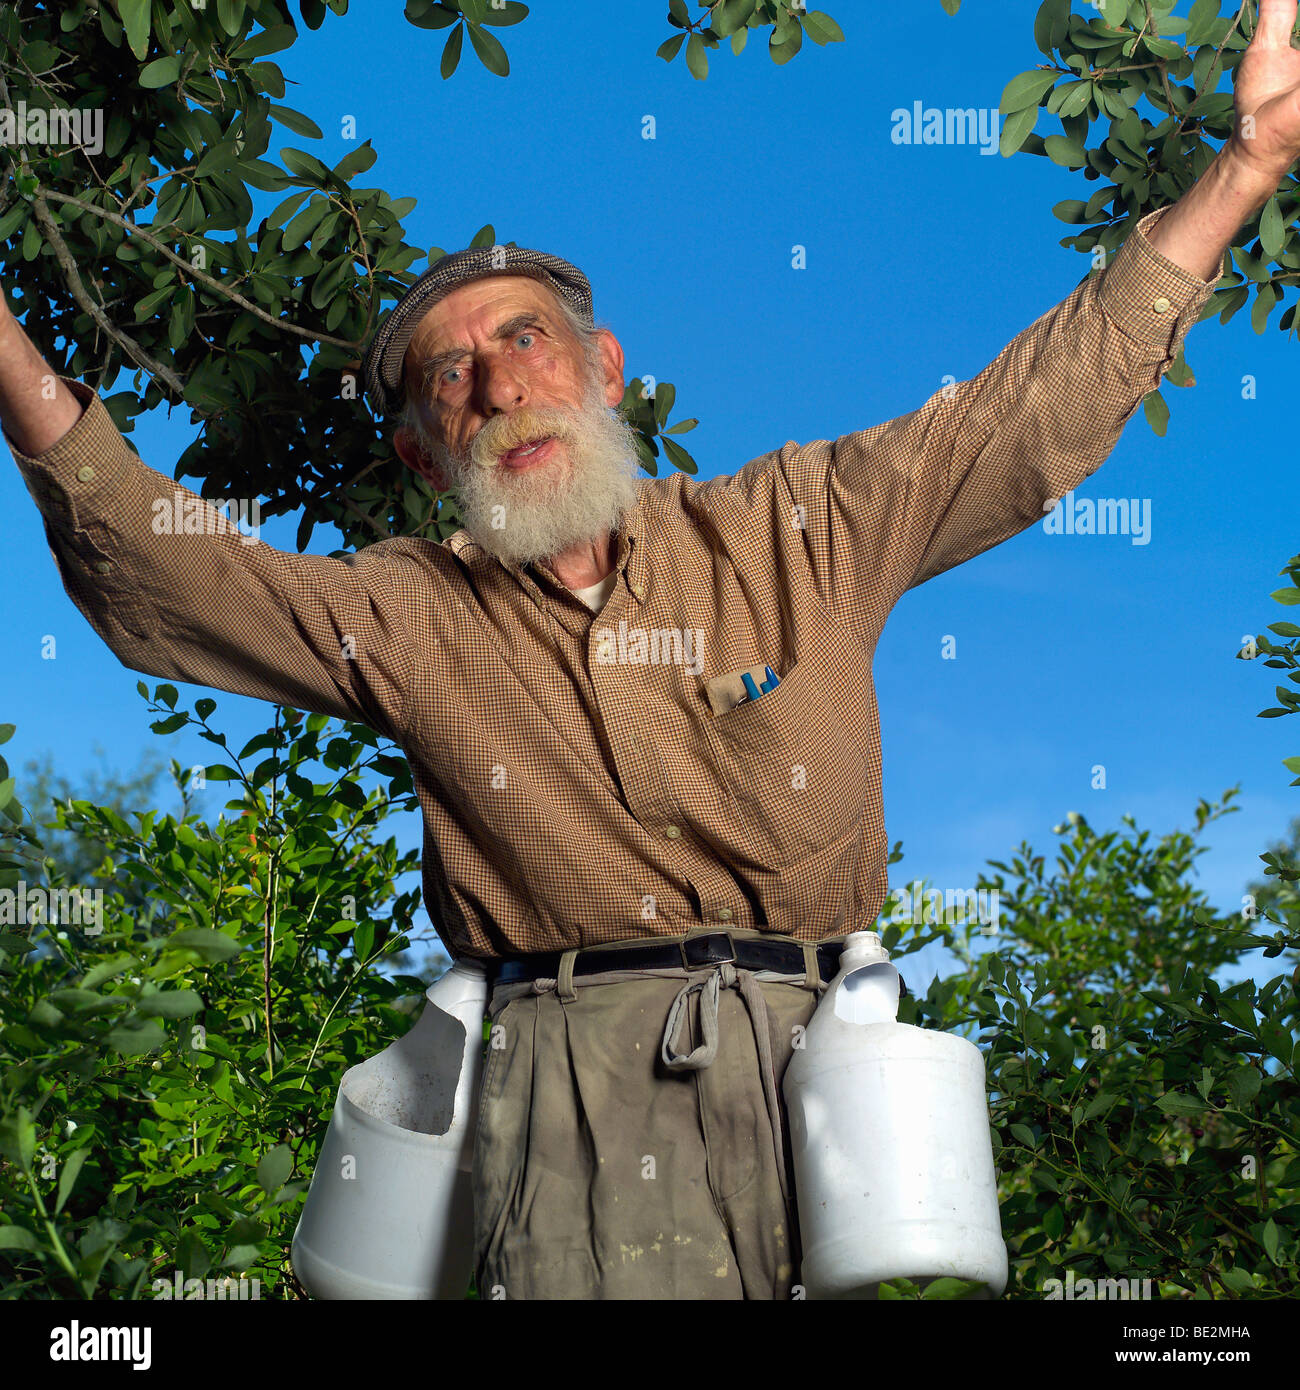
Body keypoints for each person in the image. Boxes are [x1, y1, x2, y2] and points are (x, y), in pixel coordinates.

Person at [6, 0, 1300, 1301]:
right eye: (448, 378)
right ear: (419, 452)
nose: (501, 388)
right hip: (567, 1119)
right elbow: (169, 572)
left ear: (604, 367)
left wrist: (1241, 171)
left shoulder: (803, 522)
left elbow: (1024, 417)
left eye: (525, 340)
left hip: (840, 1118)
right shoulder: (405, 614)